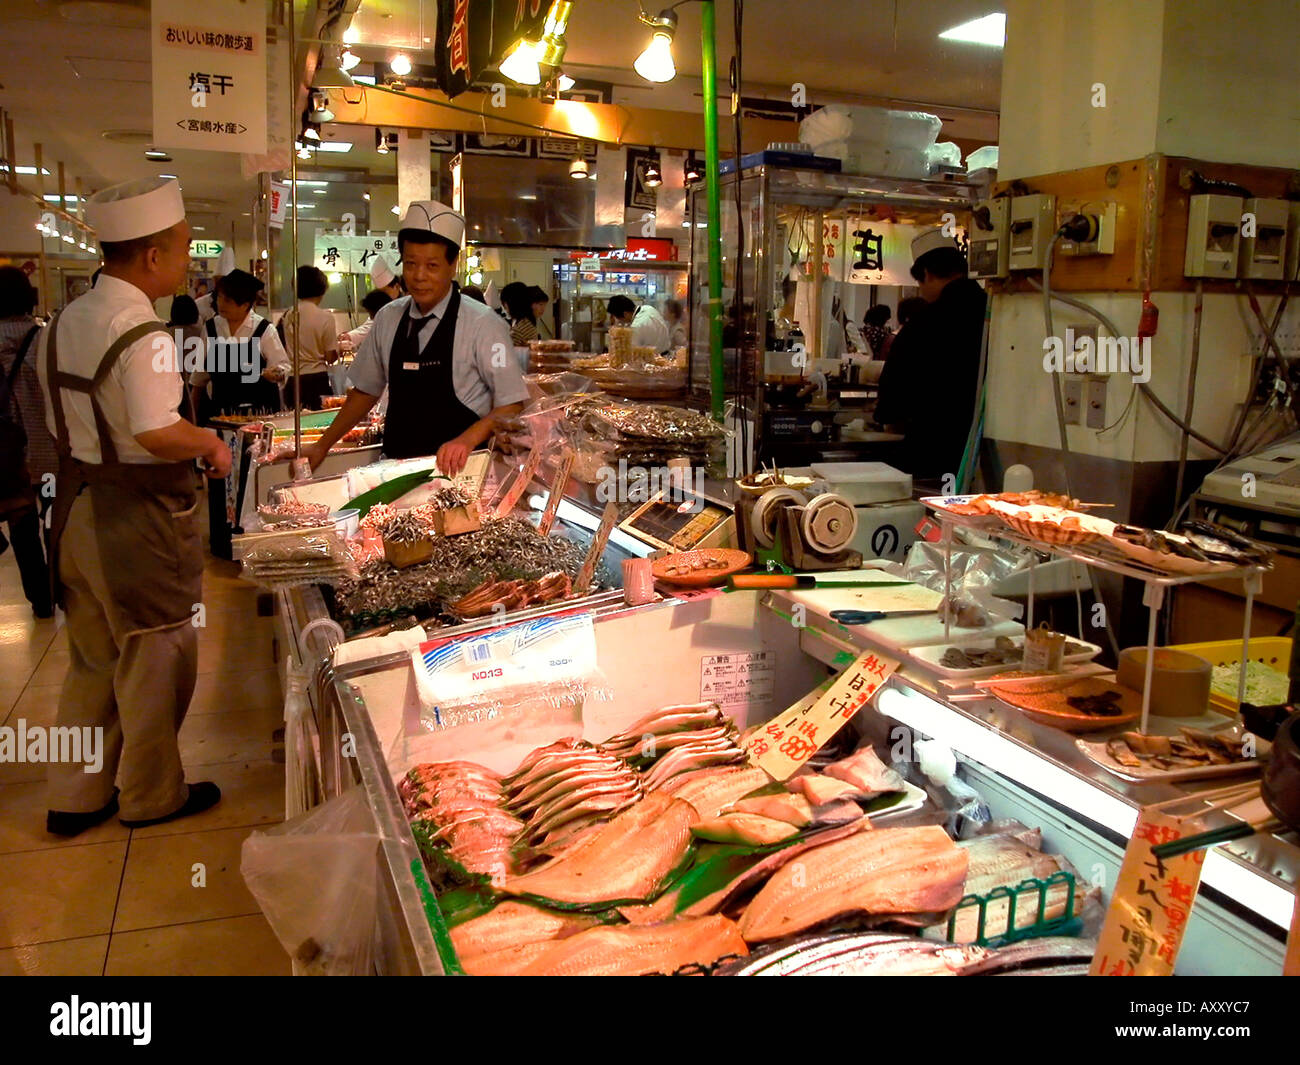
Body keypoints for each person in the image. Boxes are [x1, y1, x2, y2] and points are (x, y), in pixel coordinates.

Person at [35, 176, 232, 835]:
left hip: (74, 511)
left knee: (92, 658)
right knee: (154, 657)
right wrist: (207, 440)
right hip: (134, 522)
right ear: (152, 257)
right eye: (181, 250)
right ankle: (151, 795)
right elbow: (155, 430)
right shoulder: (141, 331)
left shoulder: (63, 320)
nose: (187, 263)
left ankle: (76, 794)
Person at [300, 200, 528, 478]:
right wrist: (323, 445)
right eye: (410, 264)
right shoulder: (387, 318)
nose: (419, 276)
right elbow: (365, 391)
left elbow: (512, 401)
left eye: (432, 266)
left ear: (452, 264)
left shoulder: (485, 324)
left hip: (462, 472)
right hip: (397, 469)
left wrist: (465, 440)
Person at [873, 230, 987, 483]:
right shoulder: (993, 310)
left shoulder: (923, 323)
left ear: (926, 274)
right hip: (986, 452)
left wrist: (885, 417)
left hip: (930, 450)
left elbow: (893, 393)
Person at [0, 266, 53, 618]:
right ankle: (63, 590)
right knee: (54, 523)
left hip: (6, 457)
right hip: (48, 451)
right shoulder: (44, 339)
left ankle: (39, 600)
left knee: (21, 526)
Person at [190, 268, 288, 421]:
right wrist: (193, 417)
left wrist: (275, 373)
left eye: (228, 301)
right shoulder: (210, 328)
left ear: (245, 304)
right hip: (220, 413)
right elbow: (199, 377)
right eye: (219, 298)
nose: (221, 304)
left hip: (259, 414)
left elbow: (283, 367)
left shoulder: (264, 329)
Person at [280, 265, 340, 410]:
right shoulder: (325, 317)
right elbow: (330, 357)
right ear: (322, 289)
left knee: (294, 425)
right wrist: (340, 349)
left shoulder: (288, 315)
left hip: (292, 381)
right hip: (316, 379)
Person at [501, 281, 539, 346]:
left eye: (505, 304)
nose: (504, 308)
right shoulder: (527, 322)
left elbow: (508, 352)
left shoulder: (518, 331)